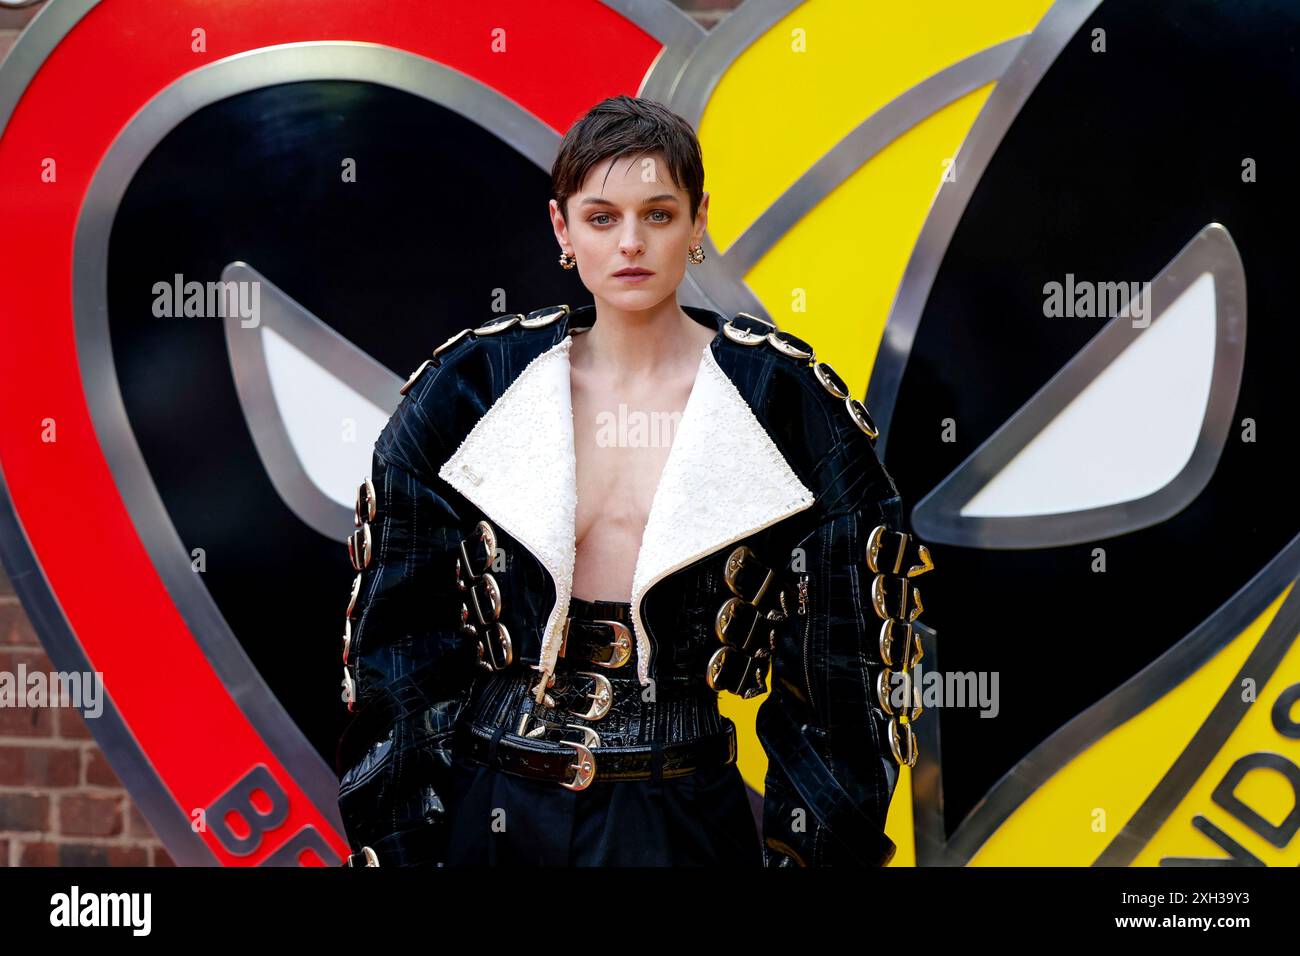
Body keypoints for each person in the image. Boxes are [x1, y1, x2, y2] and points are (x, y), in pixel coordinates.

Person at [335, 94, 934, 867]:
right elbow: (395, 645)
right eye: (601, 217)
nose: (630, 244)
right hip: (495, 806)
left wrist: (810, 855)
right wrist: (400, 843)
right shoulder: (470, 387)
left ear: (698, 221)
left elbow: (846, 675)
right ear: (563, 228)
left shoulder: (785, 403)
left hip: (680, 812)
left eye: (657, 214)